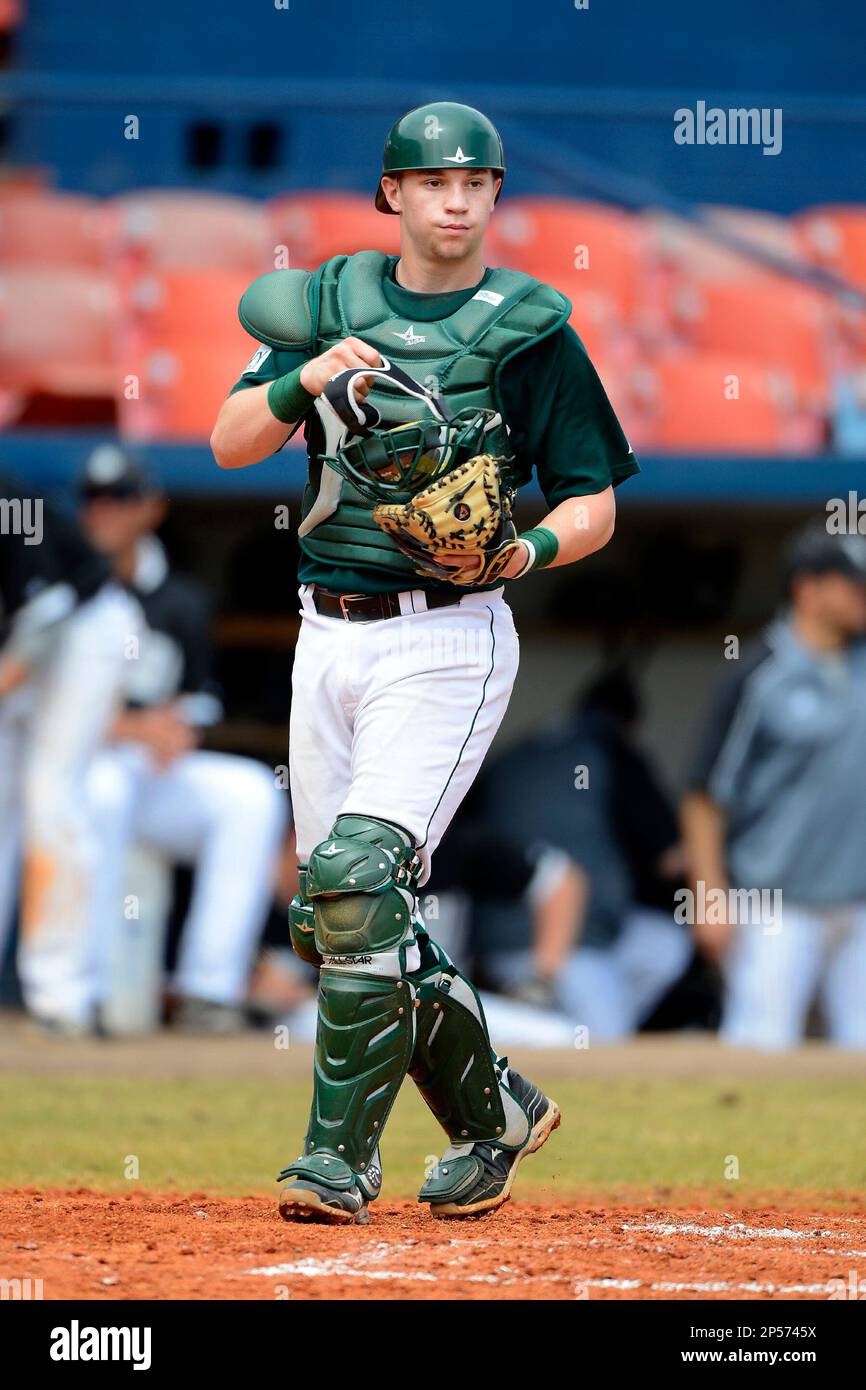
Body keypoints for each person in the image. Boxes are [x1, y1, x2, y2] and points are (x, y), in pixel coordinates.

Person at [212, 101, 638, 1223]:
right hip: (324, 628)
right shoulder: (330, 303)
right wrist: (303, 379)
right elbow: (226, 441)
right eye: (432, 181)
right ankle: (491, 1105)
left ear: (494, 198)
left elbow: (592, 498)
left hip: (447, 633)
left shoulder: (530, 326)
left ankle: (333, 1163)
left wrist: (526, 545)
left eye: (475, 183)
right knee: (333, 914)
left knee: (357, 875)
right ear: (391, 194)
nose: (455, 199)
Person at [77, 446, 288, 1033]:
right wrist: (125, 726)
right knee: (105, 789)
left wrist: (175, 727)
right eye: (93, 500)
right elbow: (40, 706)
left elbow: (200, 695)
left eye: (120, 499)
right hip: (77, 767)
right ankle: (82, 993)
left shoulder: (183, 599)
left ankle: (207, 990)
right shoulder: (68, 585)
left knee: (248, 794)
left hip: (150, 770)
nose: (104, 513)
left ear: (151, 508)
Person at [681, 524, 866, 1051]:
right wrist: (709, 894)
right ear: (808, 589)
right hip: (776, 903)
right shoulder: (760, 672)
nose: (862, 595)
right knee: (760, 1052)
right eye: (852, 584)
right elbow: (704, 795)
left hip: (859, 901)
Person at [471, 666, 692, 1039]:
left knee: (660, 944)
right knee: (604, 1044)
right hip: (568, 943)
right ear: (631, 723)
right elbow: (668, 858)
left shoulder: (511, 756)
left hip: (490, 943)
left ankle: (554, 1026)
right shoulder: (609, 751)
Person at [0, 468, 140, 1033]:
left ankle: (63, 994)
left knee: (52, 794)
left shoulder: (9, 500)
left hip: (86, 629)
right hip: (30, 641)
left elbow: (46, 613)